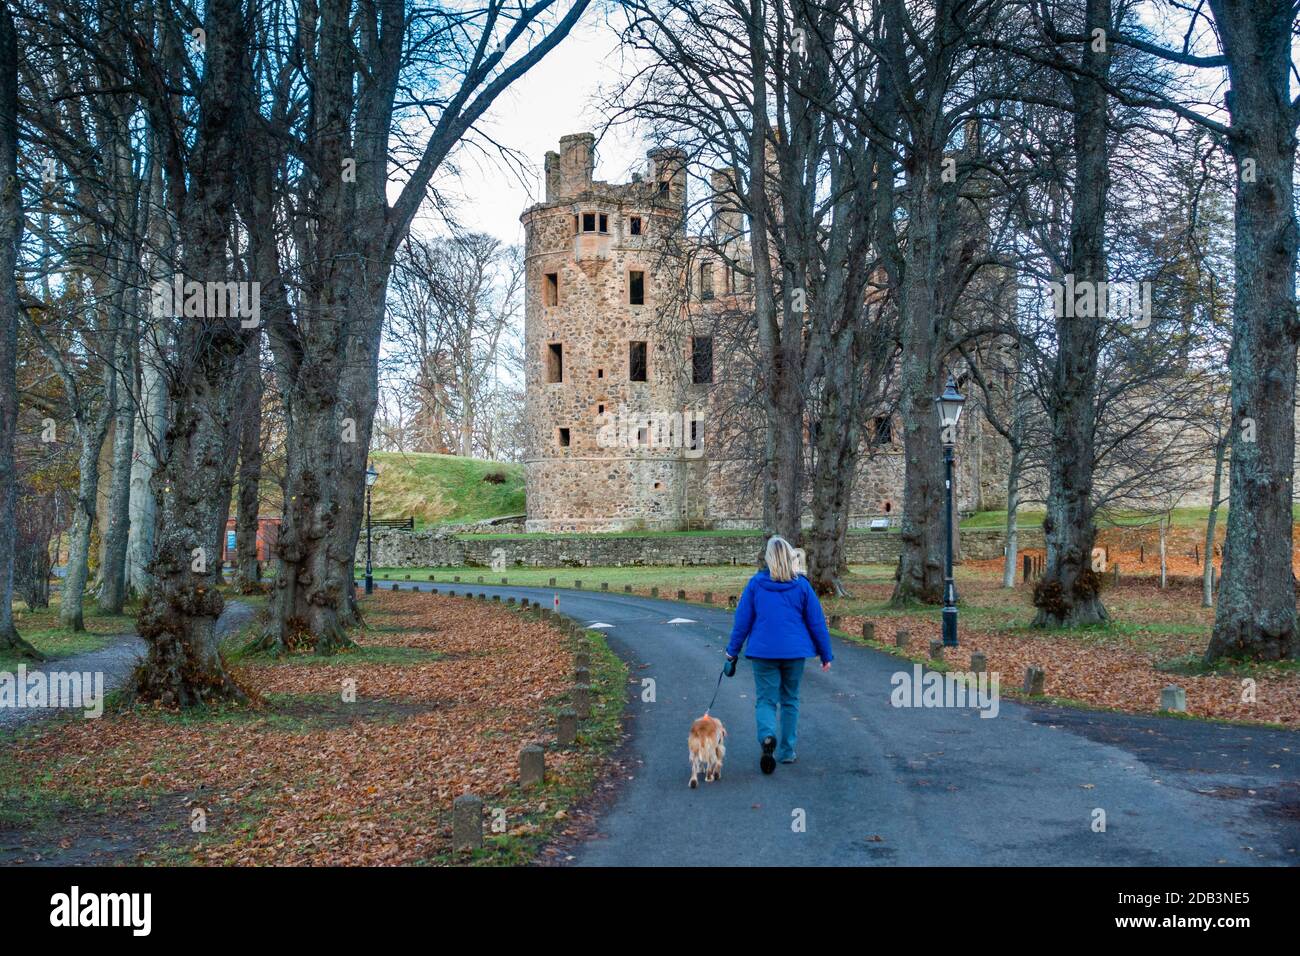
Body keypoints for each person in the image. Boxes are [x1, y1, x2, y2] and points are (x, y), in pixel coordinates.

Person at [725, 535, 833, 774]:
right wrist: (825, 654)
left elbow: (742, 622)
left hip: (764, 652)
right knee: (790, 699)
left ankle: (767, 737)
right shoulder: (802, 586)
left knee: (765, 699)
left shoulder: (755, 584)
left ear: (768, 558)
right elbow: (816, 623)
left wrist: (732, 652)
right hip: (794, 653)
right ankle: (786, 751)